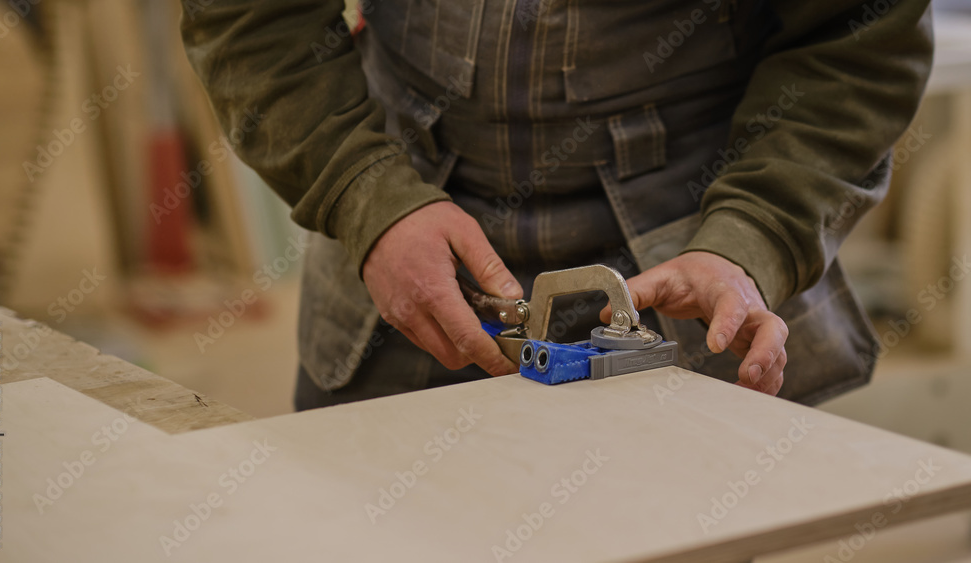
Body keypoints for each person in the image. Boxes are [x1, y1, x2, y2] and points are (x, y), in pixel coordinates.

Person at [181, 0, 933, 410]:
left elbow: (857, 40)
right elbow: (251, 18)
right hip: (399, 253)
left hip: (691, 261)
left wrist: (755, 234)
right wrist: (362, 194)